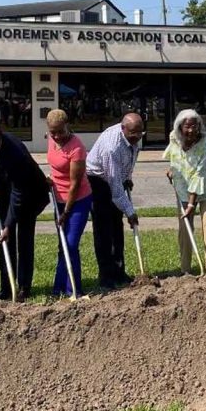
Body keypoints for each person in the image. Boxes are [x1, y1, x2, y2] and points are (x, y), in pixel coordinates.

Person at [0, 117, 50, 302]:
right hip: (4, 191)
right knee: (4, 242)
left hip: (29, 194)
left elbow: (19, 192)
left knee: (24, 239)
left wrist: (8, 224)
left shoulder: (16, 153)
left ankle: (24, 287)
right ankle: (6, 288)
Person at [86, 113, 144, 289]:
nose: (137, 137)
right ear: (123, 128)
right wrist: (130, 211)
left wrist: (128, 177)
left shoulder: (136, 138)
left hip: (116, 177)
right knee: (104, 230)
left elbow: (130, 159)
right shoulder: (112, 147)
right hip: (97, 181)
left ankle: (119, 271)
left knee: (117, 228)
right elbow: (115, 189)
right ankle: (106, 276)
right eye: (133, 133)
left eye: (140, 133)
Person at [163, 109, 206, 274]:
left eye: (194, 126)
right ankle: (185, 270)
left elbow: (198, 175)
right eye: (187, 127)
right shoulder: (174, 139)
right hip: (183, 190)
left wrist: (191, 203)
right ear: (180, 127)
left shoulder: (205, 146)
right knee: (185, 228)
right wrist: (172, 170)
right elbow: (174, 157)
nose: (191, 131)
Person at [45, 110, 93, 298]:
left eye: (59, 131)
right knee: (62, 244)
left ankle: (74, 290)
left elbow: (75, 184)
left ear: (67, 126)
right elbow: (55, 166)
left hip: (78, 200)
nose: (56, 136)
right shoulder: (52, 140)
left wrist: (66, 211)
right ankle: (58, 288)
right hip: (58, 197)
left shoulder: (77, 148)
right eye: (52, 132)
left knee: (71, 244)